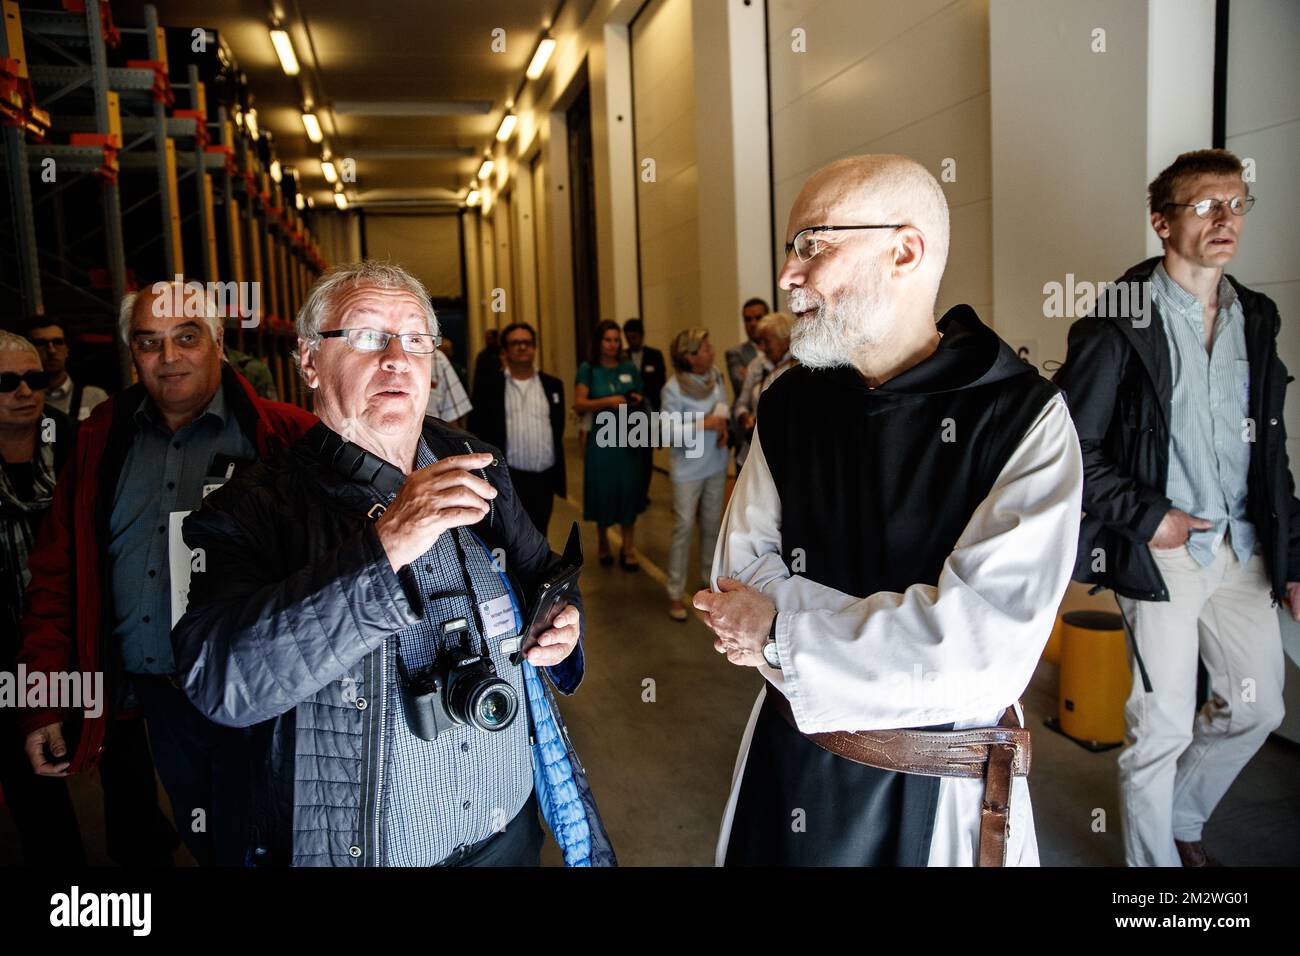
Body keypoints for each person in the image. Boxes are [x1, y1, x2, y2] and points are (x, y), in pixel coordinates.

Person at [694, 154, 1083, 867]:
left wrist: (780, 631)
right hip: (789, 754)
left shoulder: (1024, 418)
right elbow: (738, 577)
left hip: (937, 782)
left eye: (812, 245)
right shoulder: (791, 403)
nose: (787, 275)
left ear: (905, 250)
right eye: (791, 249)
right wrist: (902, 629)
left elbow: (980, 657)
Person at [171, 260, 614, 867]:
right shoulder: (253, 507)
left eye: (415, 338)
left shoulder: (475, 461)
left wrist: (562, 627)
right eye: (366, 336)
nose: (396, 359)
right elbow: (221, 680)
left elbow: (545, 575)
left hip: (508, 833)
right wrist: (384, 549)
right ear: (309, 361)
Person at [17, 281, 317, 866]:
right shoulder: (102, 439)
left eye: (187, 337)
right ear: (131, 351)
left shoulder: (285, 437)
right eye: (149, 342)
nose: (169, 357)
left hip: (263, 699)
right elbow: (56, 578)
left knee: (266, 845)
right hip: (163, 700)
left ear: (219, 342)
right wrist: (43, 699)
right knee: (205, 838)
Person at [1053, 148, 1290, 868]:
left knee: (1258, 707)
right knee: (1162, 728)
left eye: (1237, 204)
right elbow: (1071, 447)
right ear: (1162, 222)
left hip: (1244, 549)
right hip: (1164, 553)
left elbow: (1271, 449)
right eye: (1206, 205)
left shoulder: (1256, 317)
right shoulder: (1118, 322)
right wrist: (1149, 517)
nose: (1226, 219)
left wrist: (1293, 553)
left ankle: (1181, 816)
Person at [0, 331, 84, 865]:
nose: (25, 391)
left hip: (80, 636)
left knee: (122, 766)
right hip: (8, 650)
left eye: (34, 378)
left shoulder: (73, 441)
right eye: (6, 382)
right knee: (32, 781)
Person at [468, 321, 566, 537]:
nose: (522, 347)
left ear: (534, 347)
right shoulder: (490, 388)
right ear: (504, 351)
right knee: (510, 536)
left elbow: (558, 427)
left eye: (527, 343)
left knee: (540, 534)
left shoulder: (553, 386)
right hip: (508, 480)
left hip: (544, 479)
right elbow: (477, 430)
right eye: (515, 343)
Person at [661, 329, 729, 622]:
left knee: (713, 526)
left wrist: (722, 426)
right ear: (689, 357)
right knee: (685, 527)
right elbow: (667, 432)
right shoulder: (673, 389)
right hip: (687, 470)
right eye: (705, 348)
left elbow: (722, 405)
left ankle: (708, 583)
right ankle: (675, 591)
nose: (711, 351)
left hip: (716, 463)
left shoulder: (715, 376)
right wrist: (705, 423)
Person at [574, 320, 645, 569]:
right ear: (599, 342)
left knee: (628, 490)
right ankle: (603, 541)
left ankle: (628, 546)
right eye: (608, 340)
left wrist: (634, 398)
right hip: (602, 440)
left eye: (616, 340)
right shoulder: (588, 369)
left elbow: (640, 394)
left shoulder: (628, 367)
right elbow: (579, 403)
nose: (613, 345)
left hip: (628, 437)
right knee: (603, 490)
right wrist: (608, 401)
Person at [733, 311, 796, 469]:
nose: (762, 347)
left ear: (785, 340)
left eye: (767, 341)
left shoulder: (799, 366)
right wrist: (745, 417)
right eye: (760, 341)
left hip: (786, 453)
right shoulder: (756, 365)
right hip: (753, 452)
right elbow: (741, 404)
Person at [26, 320, 109, 422]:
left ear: (67, 349)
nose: (51, 350)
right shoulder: (23, 398)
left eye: (58, 342)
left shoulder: (95, 397)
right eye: (41, 343)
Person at [624, 318, 666, 509]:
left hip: (649, 412)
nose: (631, 341)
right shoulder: (623, 357)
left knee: (647, 455)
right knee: (631, 455)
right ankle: (631, 492)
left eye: (634, 337)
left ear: (641, 336)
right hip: (628, 414)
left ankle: (643, 493)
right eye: (628, 337)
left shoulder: (654, 356)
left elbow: (660, 385)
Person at [725, 298, 769, 401]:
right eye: (748, 319)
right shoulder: (735, 353)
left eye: (758, 318)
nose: (753, 323)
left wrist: (750, 374)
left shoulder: (781, 348)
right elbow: (741, 386)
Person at [427, 337, 472, 429]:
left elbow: (452, 415)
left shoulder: (439, 360)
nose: (448, 351)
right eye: (445, 349)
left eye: (448, 349)